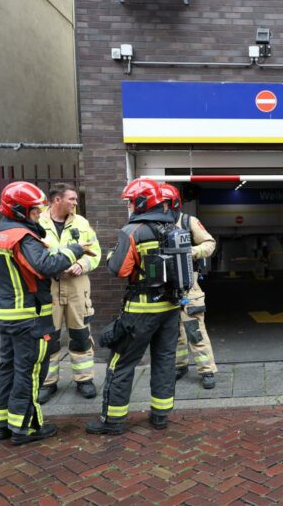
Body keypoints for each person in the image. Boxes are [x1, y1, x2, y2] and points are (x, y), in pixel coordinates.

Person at [0, 181, 92, 445]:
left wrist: (6, 300)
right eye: (32, 209)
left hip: (8, 316)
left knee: (7, 368)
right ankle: (25, 428)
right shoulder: (22, 236)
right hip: (30, 317)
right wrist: (75, 250)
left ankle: (3, 423)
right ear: (18, 210)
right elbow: (47, 265)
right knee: (29, 372)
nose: (36, 213)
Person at [86, 178, 181, 434]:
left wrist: (110, 256)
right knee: (164, 360)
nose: (128, 206)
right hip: (170, 310)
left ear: (141, 202)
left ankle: (113, 421)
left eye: (130, 201)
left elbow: (118, 270)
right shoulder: (173, 227)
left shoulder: (133, 231)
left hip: (140, 311)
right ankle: (161, 415)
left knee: (121, 362)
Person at [37, 184, 102, 403]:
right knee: (49, 338)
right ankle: (47, 383)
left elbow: (96, 252)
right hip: (50, 288)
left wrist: (83, 264)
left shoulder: (81, 222)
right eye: (72, 199)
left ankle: (84, 380)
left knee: (81, 336)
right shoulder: (38, 223)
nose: (75, 203)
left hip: (76, 287)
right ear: (57, 200)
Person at [159, 184, 218, 389]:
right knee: (173, 333)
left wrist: (188, 251)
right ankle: (179, 366)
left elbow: (209, 244)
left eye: (165, 204)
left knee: (194, 330)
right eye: (159, 204)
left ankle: (207, 370)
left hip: (188, 287)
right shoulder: (153, 223)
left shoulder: (188, 221)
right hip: (165, 288)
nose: (162, 208)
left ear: (174, 203)